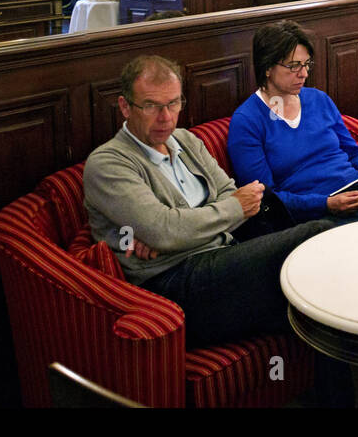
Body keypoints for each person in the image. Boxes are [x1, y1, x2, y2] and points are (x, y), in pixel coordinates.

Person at [83, 55, 333, 350]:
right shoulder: (108, 163)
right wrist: (174, 232)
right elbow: (168, 229)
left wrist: (179, 230)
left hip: (224, 255)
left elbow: (228, 194)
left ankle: (355, 372)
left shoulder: (185, 141)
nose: (165, 117)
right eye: (151, 106)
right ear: (125, 107)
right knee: (315, 236)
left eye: (173, 103)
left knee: (313, 300)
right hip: (174, 284)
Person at [227, 20, 358, 222]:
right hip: (316, 214)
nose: (304, 74)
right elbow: (267, 199)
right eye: (294, 66)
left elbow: (353, 151)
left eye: (306, 64)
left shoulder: (318, 99)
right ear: (267, 67)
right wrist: (326, 204)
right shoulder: (247, 121)